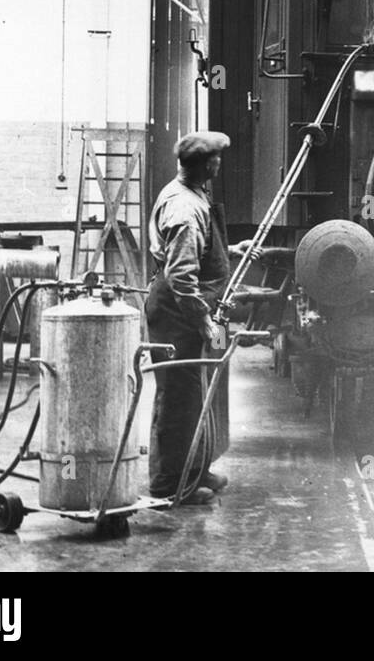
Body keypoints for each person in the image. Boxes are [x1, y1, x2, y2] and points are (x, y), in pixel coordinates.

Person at [146, 130, 234, 505]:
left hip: (184, 308)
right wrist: (203, 321)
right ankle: (168, 483)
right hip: (177, 312)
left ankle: (195, 470)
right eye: (218, 159)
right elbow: (182, 278)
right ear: (208, 164)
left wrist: (234, 250)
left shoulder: (191, 193)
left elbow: (196, 252)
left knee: (196, 392)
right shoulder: (185, 209)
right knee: (178, 395)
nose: (220, 164)